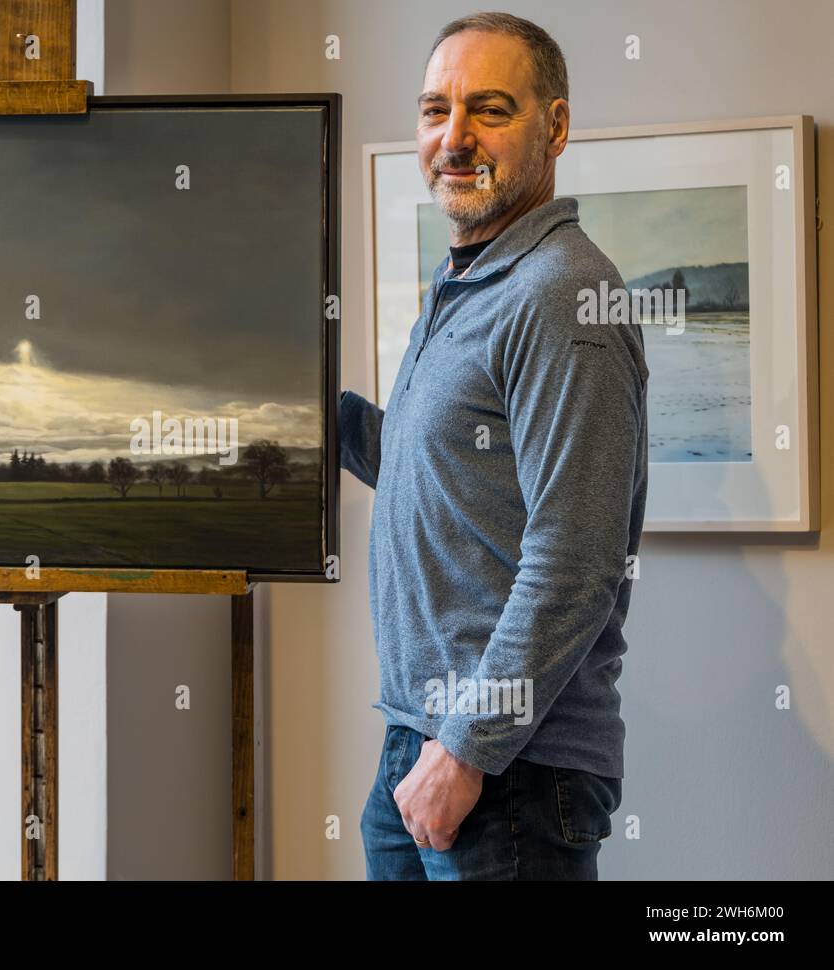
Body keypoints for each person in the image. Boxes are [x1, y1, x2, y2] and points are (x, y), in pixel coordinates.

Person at [340, 11, 649, 880]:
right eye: (436, 109)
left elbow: (577, 560)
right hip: (420, 743)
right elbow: (437, 468)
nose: (455, 136)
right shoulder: (467, 285)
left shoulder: (564, 295)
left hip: (504, 774)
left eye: (490, 110)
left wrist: (466, 752)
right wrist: (320, 418)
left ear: (555, 126)